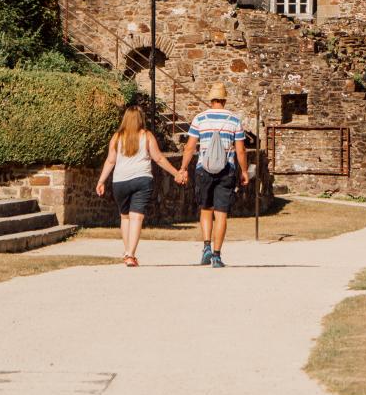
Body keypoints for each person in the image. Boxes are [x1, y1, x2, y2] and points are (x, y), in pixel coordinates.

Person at [93, 104, 183, 267]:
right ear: (141, 119)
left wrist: (101, 181)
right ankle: (130, 254)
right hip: (142, 179)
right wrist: (176, 173)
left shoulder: (117, 137)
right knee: (137, 217)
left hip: (120, 181)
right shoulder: (147, 136)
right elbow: (159, 158)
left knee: (125, 217)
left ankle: (128, 252)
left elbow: (110, 160)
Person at [178, 82, 249, 268]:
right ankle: (217, 256)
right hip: (227, 170)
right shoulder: (234, 120)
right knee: (221, 214)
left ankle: (207, 246)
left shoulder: (200, 118)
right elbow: (241, 151)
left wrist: (183, 168)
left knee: (206, 209)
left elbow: (190, 147)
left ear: (211, 99)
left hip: (204, 169)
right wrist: (244, 171)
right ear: (225, 99)